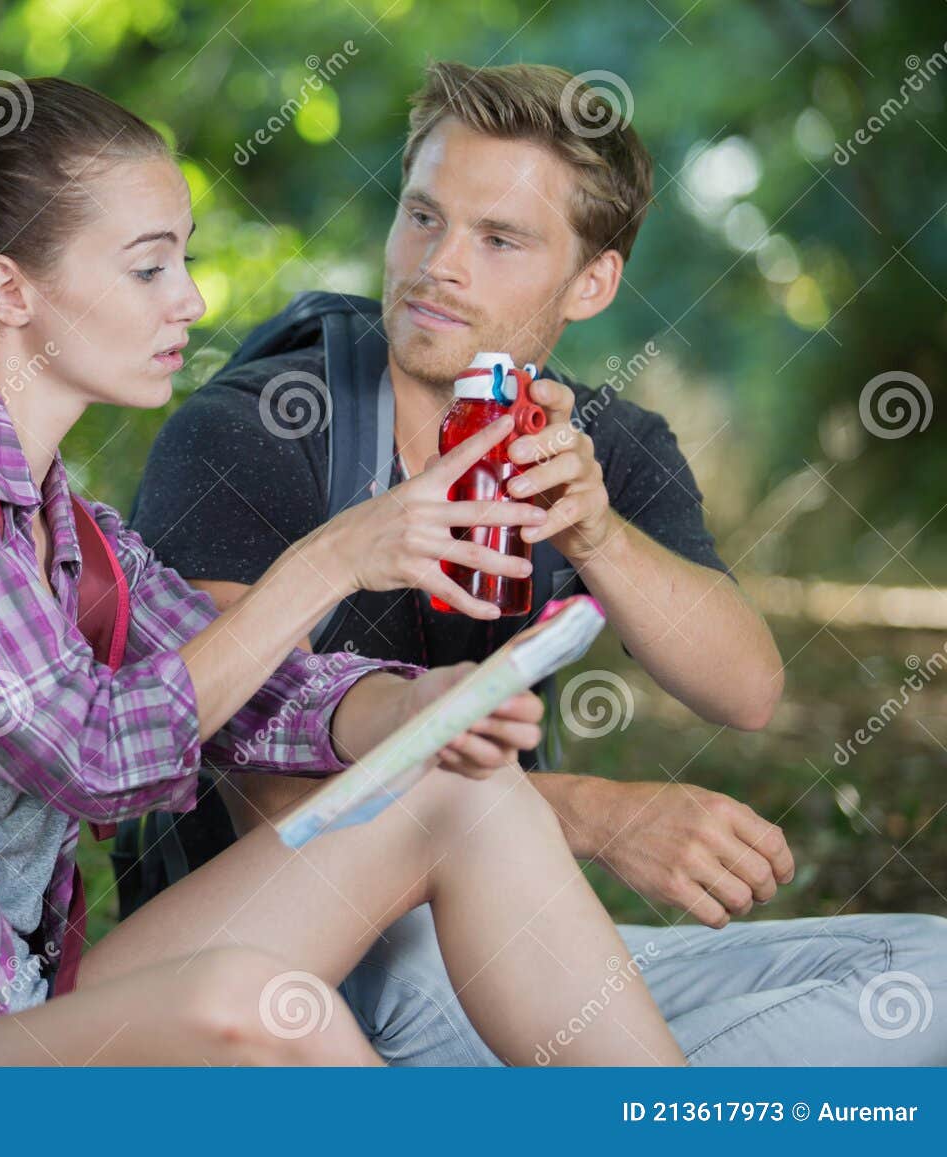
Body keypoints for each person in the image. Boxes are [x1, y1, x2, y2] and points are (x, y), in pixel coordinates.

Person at [0, 77, 687, 1067]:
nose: (191, 301)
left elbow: (263, 698)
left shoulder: (71, 529)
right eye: (148, 267)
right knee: (254, 1007)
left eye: (184, 261)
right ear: (9, 287)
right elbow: (83, 747)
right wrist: (332, 557)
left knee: (464, 798)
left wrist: (426, 705)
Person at [129, 60, 947, 1065]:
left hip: (517, 943)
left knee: (928, 968)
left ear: (591, 281)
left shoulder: (602, 442)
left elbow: (747, 689)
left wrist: (593, 531)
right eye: (422, 216)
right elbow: (259, 777)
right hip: (308, 961)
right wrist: (597, 817)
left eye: (499, 238)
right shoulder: (257, 426)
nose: (438, 264)